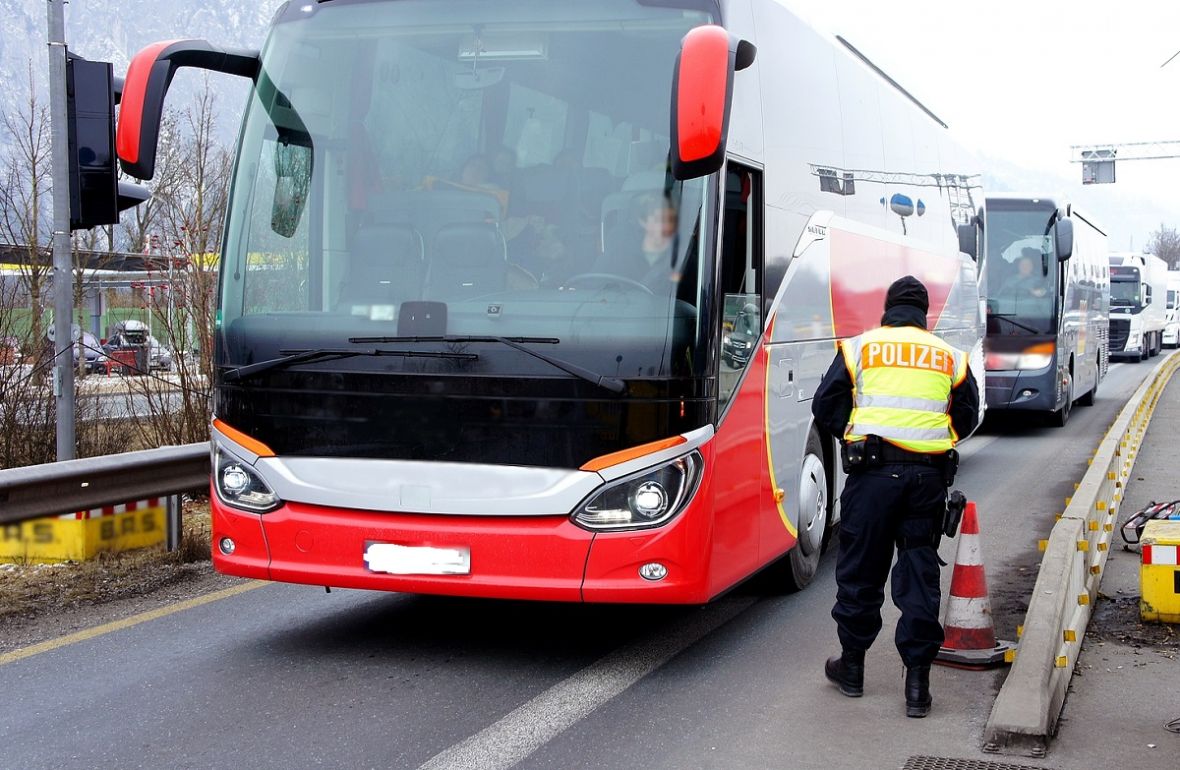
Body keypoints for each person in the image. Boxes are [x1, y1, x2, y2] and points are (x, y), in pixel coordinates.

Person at [811, 275, 979, 718]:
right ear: (924, 313)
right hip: (926, 481)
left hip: (871, 477)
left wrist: (856, 437)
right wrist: (931, 441)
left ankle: (851, 669)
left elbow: (825, 405)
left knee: (860, 569)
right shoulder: (949, 356)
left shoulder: (860, 347)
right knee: (919, 572)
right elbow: (967, 415)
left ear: (888, 308)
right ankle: (918, 685)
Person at [595, 192, 681, 291]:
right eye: (659, 220)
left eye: (671, 220)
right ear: (642, 221)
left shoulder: (686, 260)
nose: (666, 227)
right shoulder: (616, 256)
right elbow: (587, 290)